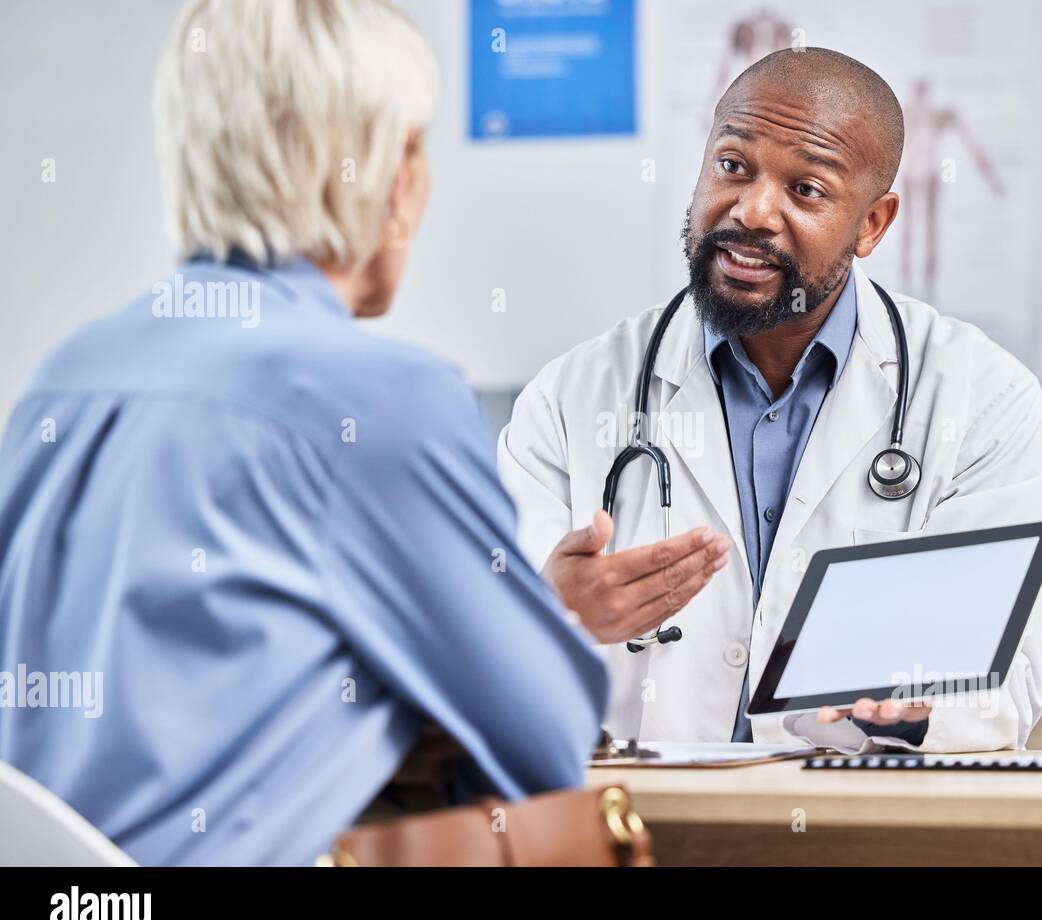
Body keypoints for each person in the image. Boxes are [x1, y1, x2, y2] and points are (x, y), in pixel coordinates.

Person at [0, 0, 607, 865]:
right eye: (415, 145)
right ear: (387, 175)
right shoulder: (383, 397)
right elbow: (545, 740)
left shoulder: (65, 374)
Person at [499, 48, 1042, 754]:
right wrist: (548, 616)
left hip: (857, 836)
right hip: (642, 831)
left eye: (805, 189)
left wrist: (913, 708)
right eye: (733, 167)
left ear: (873, 224)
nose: (752, 211)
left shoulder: (981, 401)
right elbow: (477, 674)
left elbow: (1004, 688)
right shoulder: (570, 399)